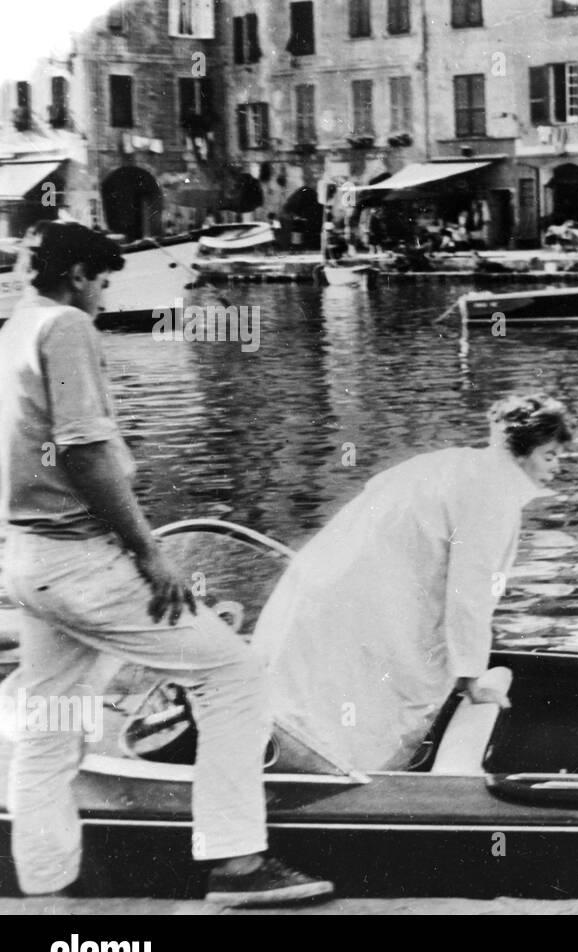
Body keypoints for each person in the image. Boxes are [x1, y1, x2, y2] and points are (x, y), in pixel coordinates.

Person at [0, 222, 332, 906]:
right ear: (80, 277)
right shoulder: (63, 328)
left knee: (51, 725)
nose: (103, 296)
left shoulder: (12, 331)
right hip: (82, 561)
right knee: (232, 674)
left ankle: (43, 887)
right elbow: (85, 446)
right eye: (104, 281)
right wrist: (149, 553)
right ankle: (237, 866)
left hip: (27, 560)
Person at [252, 395, 571, 773]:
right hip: (359, 600)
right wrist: (471, 679)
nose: (557, 467)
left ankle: (304, 768)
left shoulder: (460, 464)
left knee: (328, 696)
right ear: (522, 452)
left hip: (328, 584)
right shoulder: (493, 490)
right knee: (351, 705)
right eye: (549, 455)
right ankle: (338, 785)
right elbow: (469, 592)